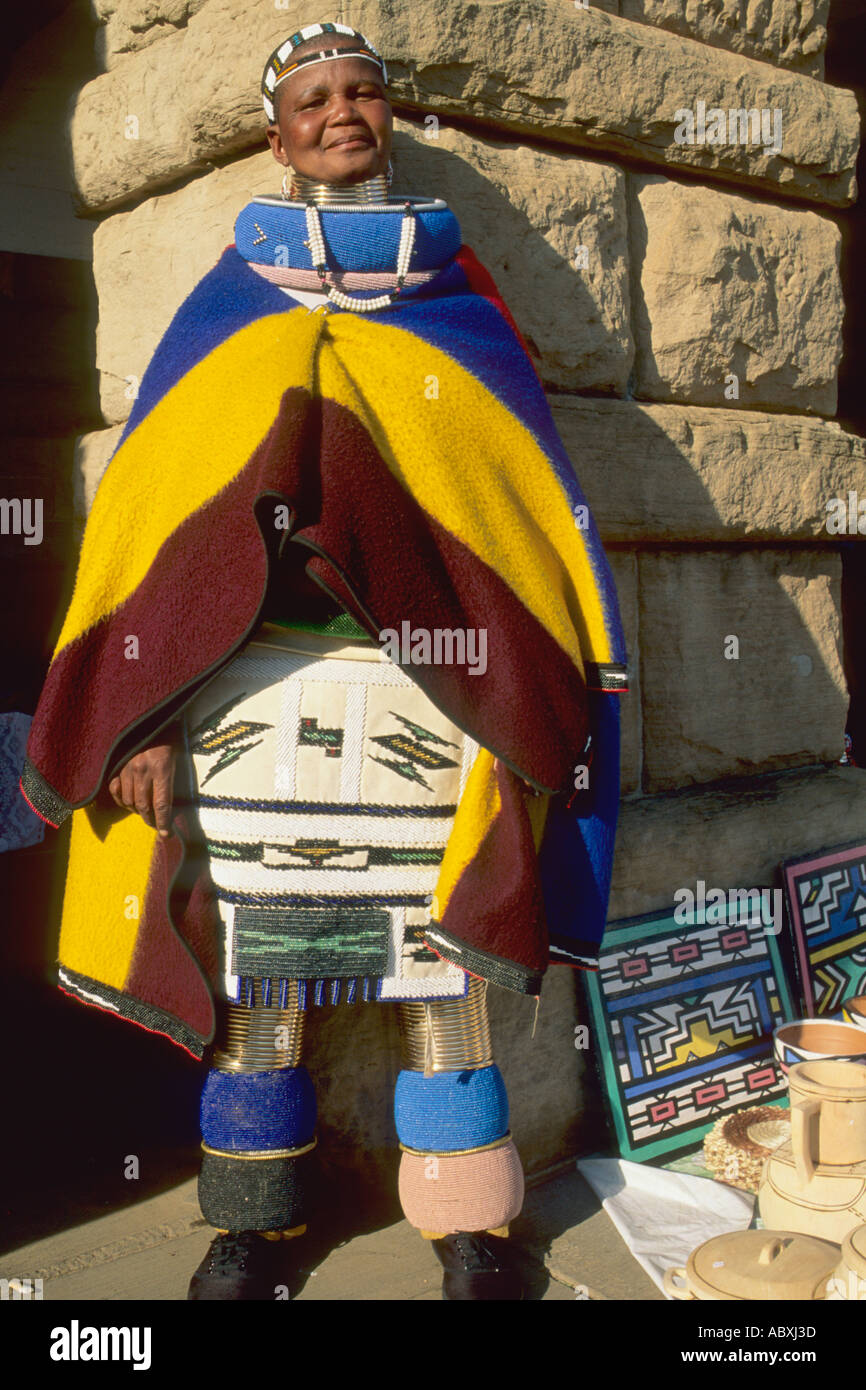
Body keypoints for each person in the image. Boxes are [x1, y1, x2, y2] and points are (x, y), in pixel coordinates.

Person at [20, 21, 628, 1301]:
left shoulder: (459, 308)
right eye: (315, 99)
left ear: (387, 117)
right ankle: (252, 1225)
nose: (342, 113)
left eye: (362, 93)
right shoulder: (225, 310)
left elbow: (516, 515)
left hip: (434, 701)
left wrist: (521, 690)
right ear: (277, 134)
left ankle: (468, 1225)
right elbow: (156, 535)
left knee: (442, 984)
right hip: (245, 710)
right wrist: (142, 716)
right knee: (259, 987)